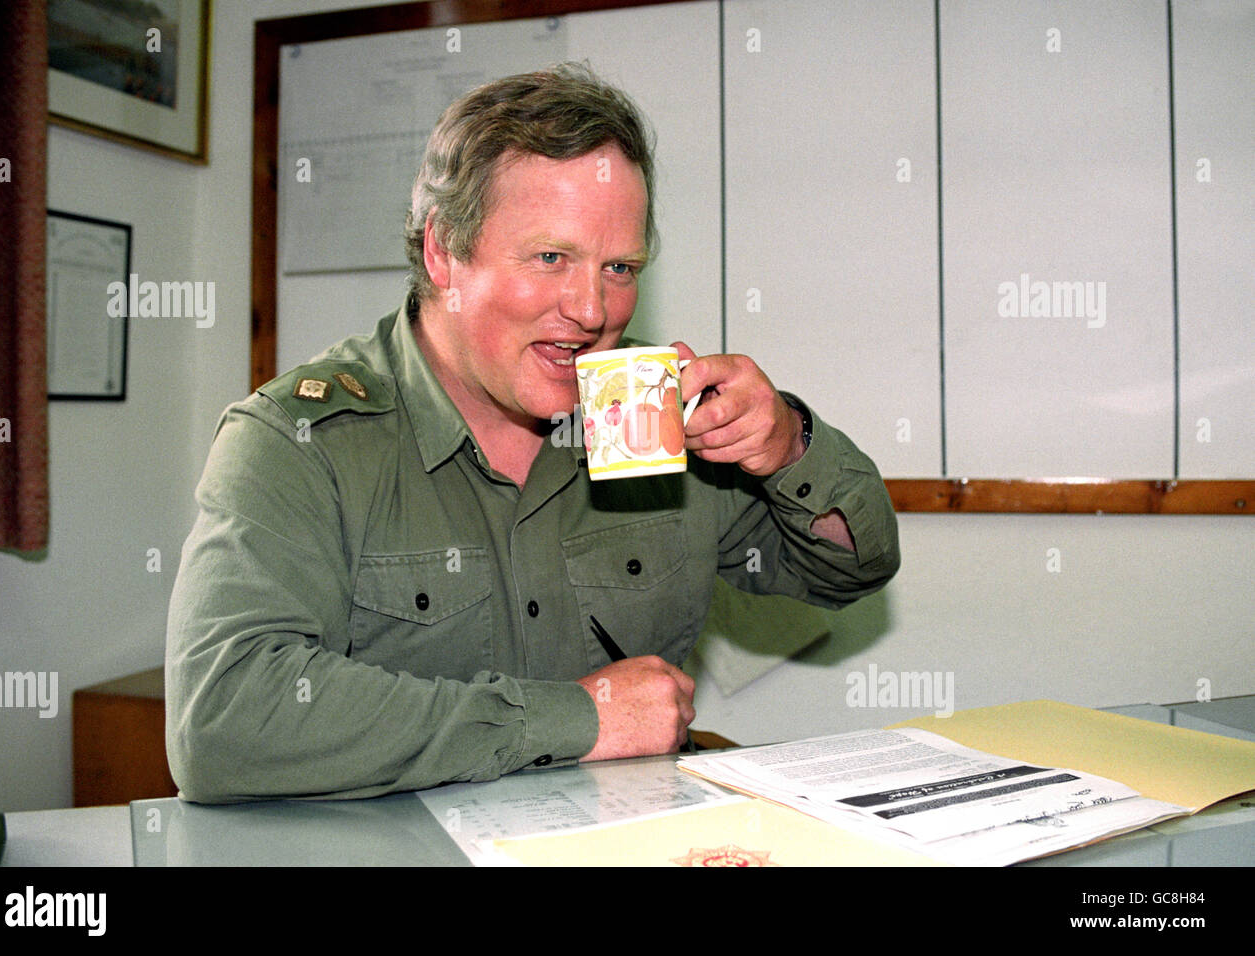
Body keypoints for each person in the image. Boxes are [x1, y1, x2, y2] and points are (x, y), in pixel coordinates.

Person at [165, 63, 899, 803]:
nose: (592, 310)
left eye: (620, 267)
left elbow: (851, 568)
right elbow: (223, 720)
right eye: (552, 258)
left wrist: (786, 447)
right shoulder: (301, 441)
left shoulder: (643, 410)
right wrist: (578, 720)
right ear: (444, 252)